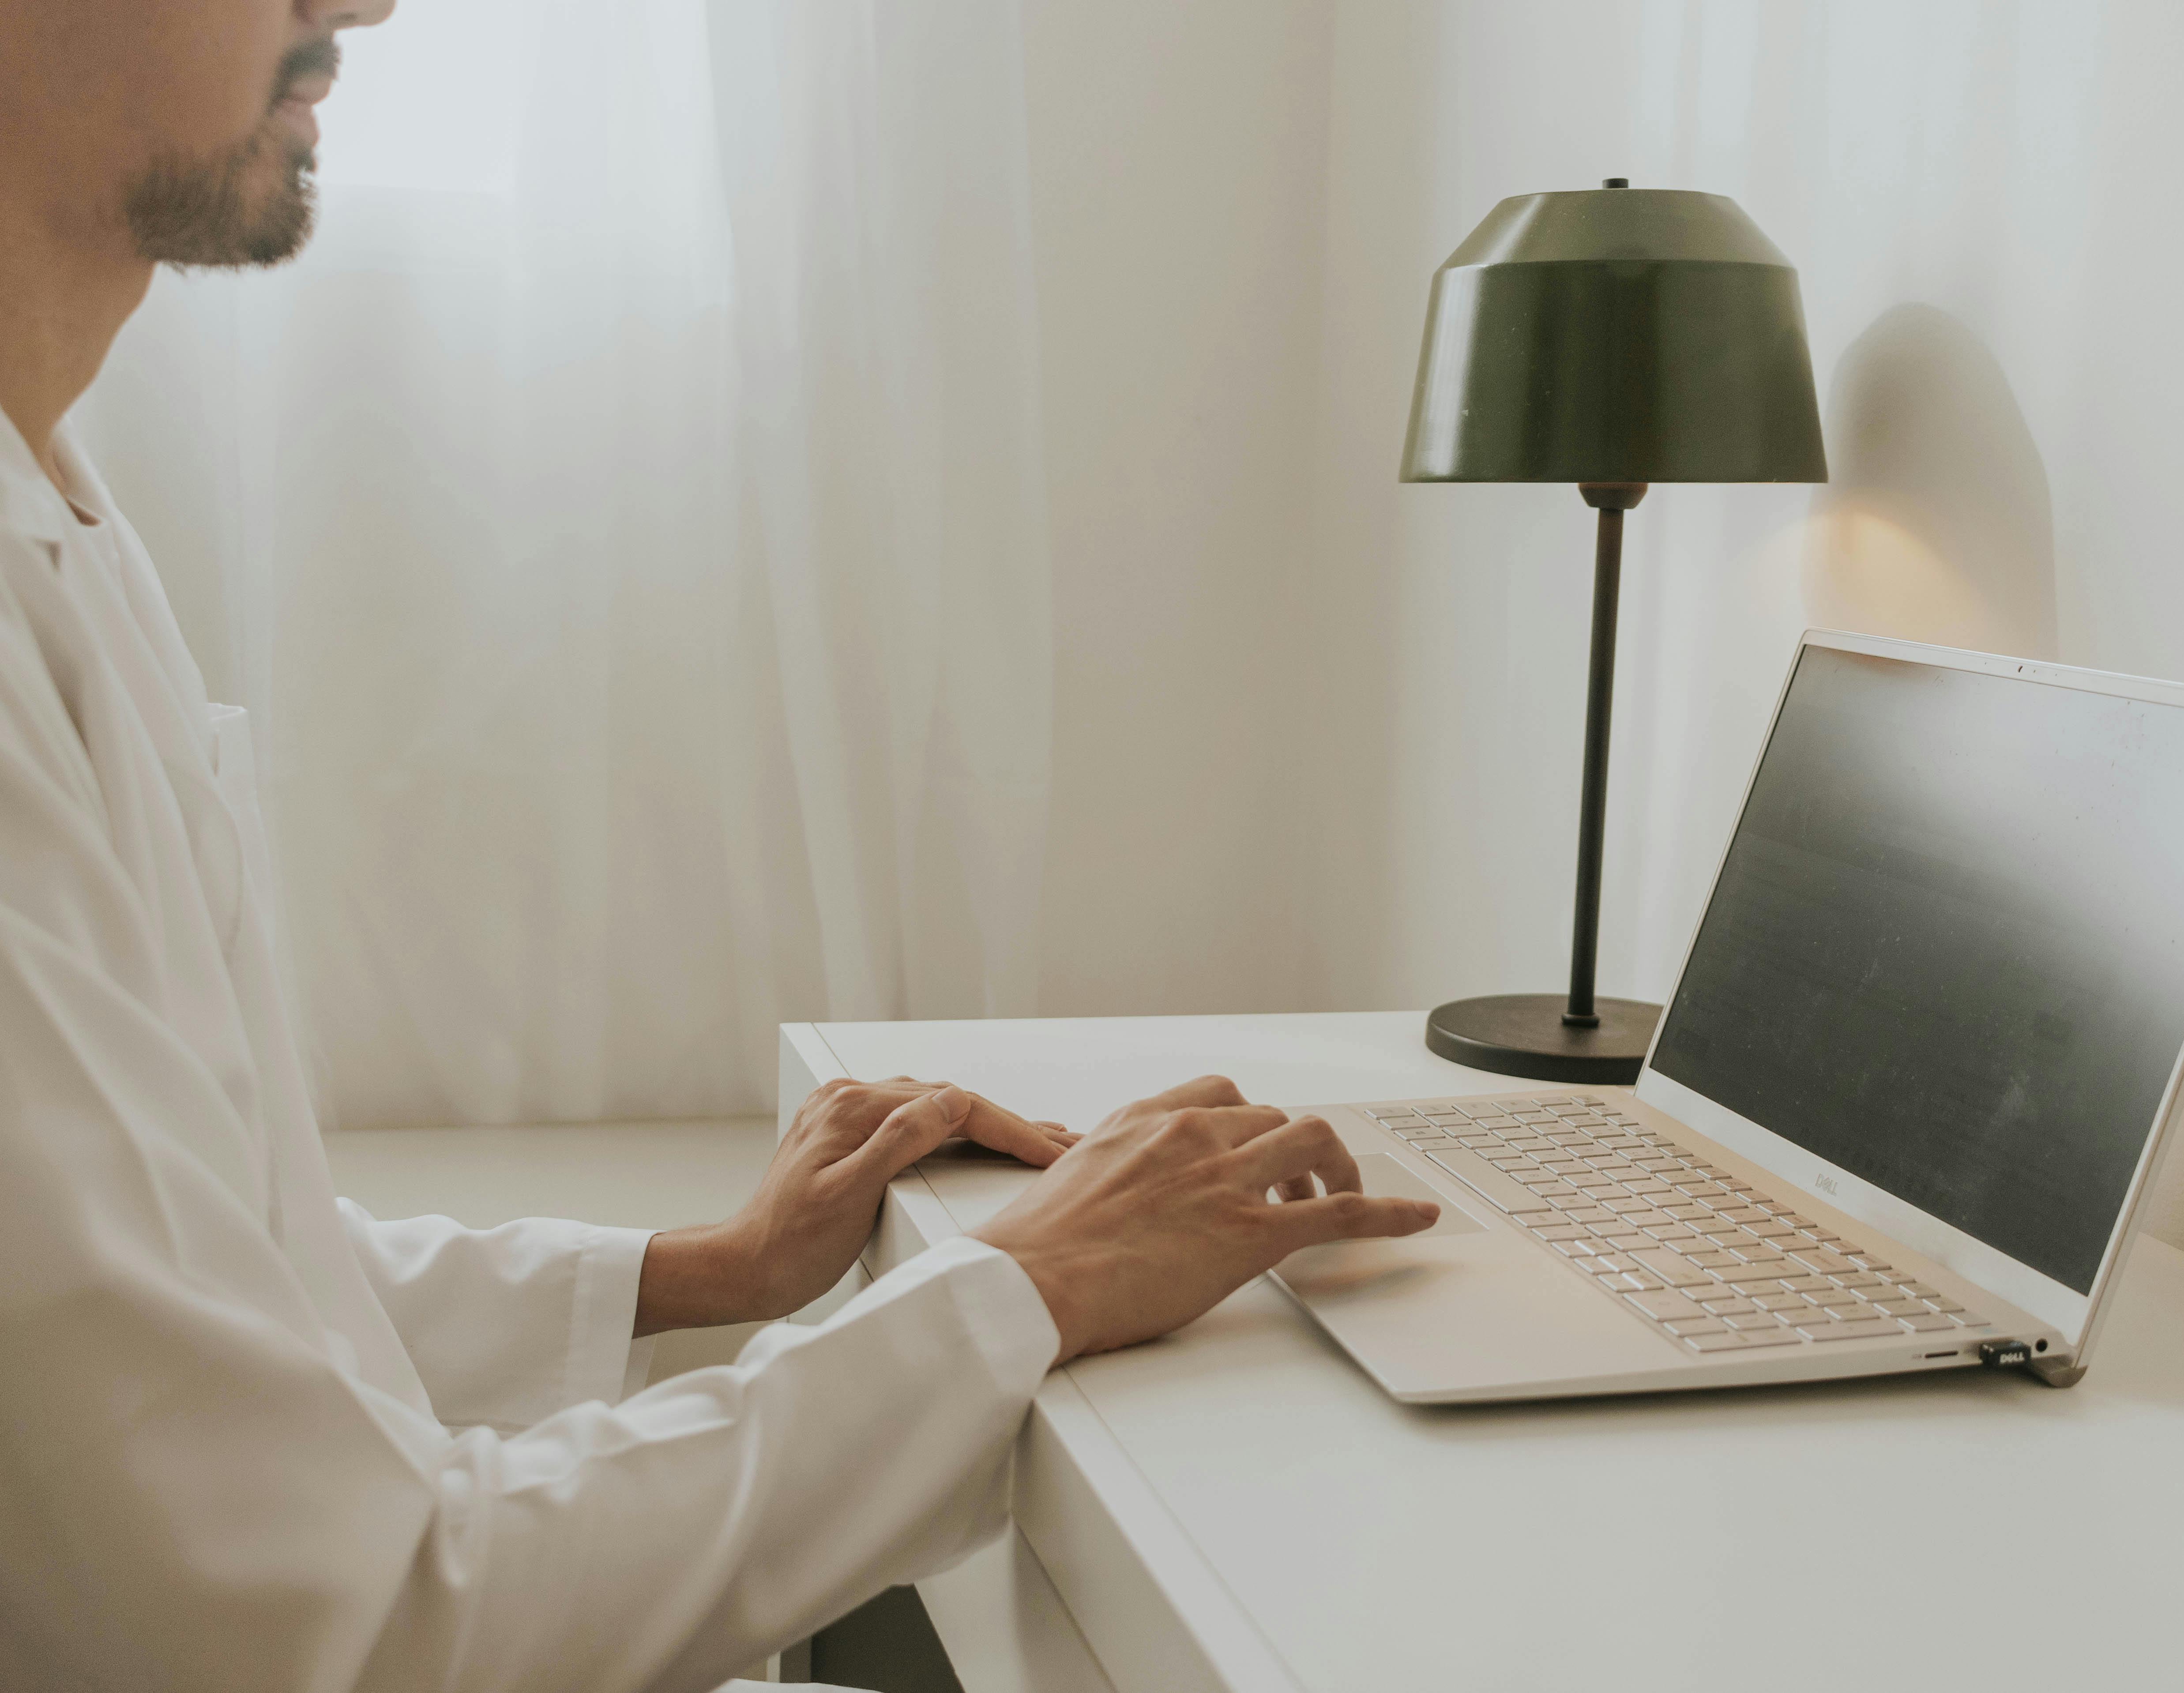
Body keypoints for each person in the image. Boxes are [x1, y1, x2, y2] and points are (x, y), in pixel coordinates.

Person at [0, 4, 1441, 1689]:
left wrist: (706, 1270)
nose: (368, 2)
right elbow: (350, 1626)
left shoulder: (58, 510)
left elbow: (222, 1284)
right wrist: (1022, 1288)